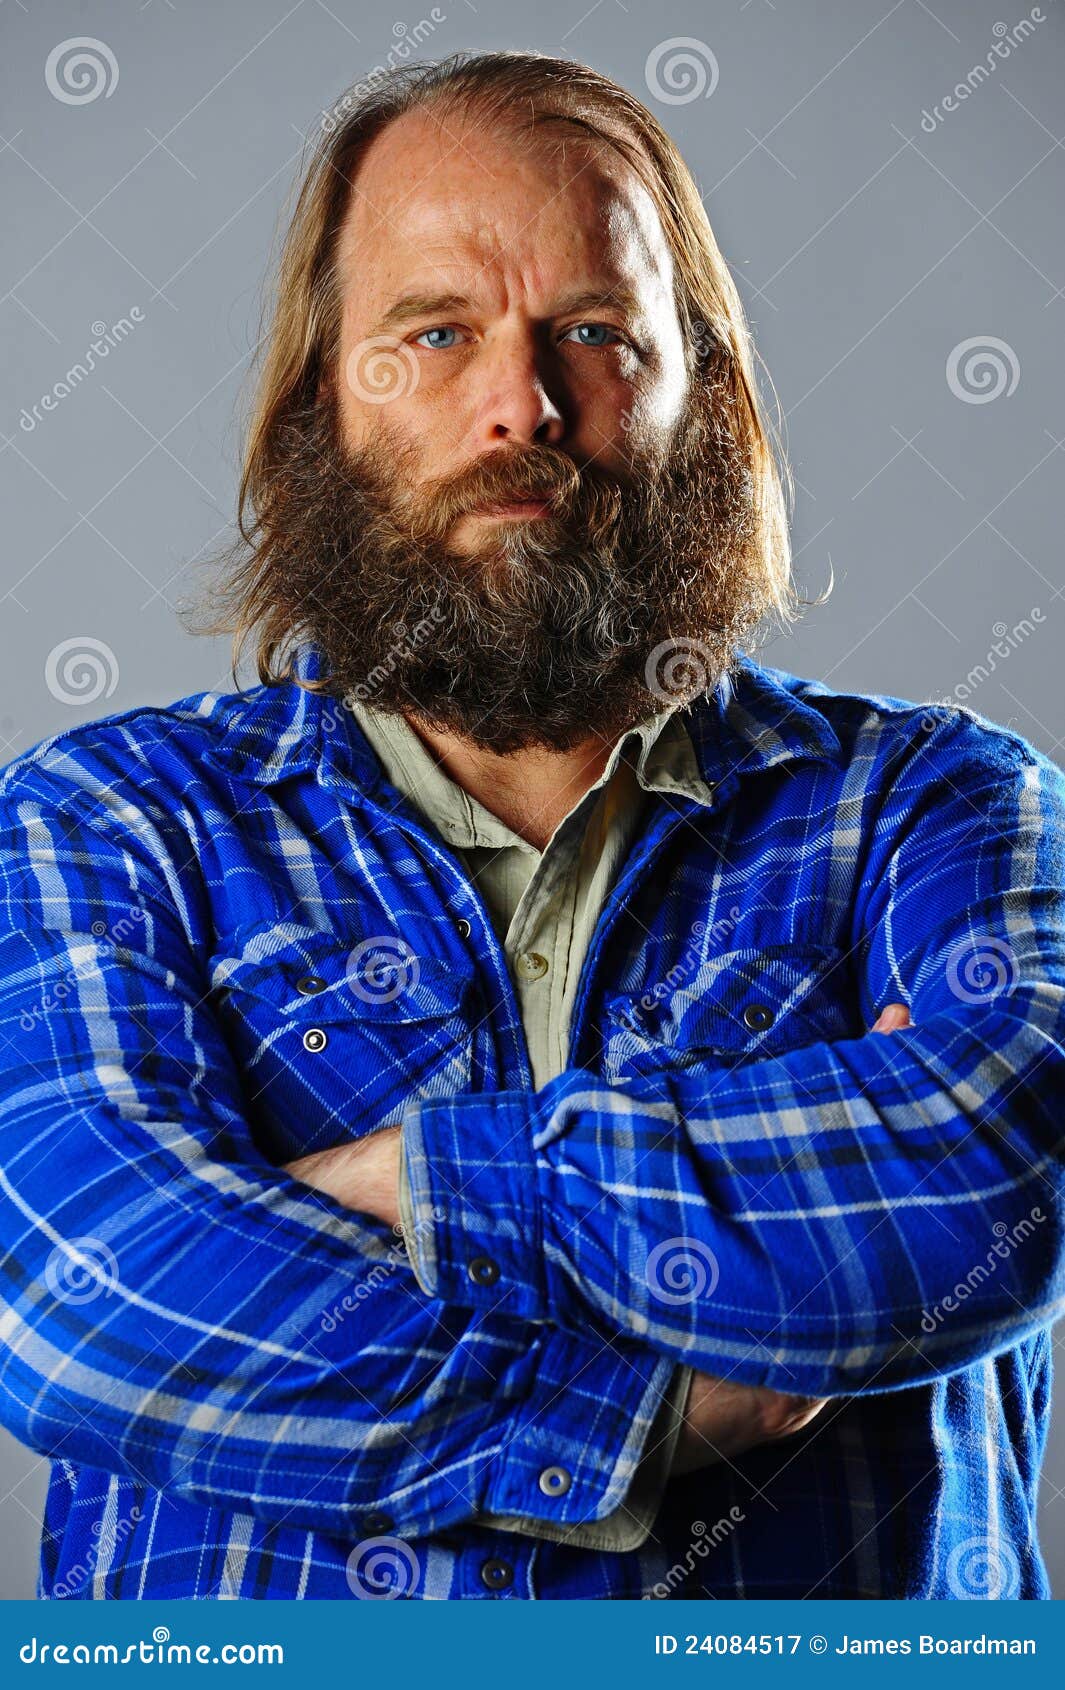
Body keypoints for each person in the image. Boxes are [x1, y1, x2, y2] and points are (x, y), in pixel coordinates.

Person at [0, 51, 1061, 1602]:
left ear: (708, 393)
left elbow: (995, 1179)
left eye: (593, 335)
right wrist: (634, 1414)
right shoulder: (103, 827)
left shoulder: (938, 805)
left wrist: (412, 1184)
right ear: (316, 403)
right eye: (434, 334)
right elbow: (82, 1288)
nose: (521, 407)